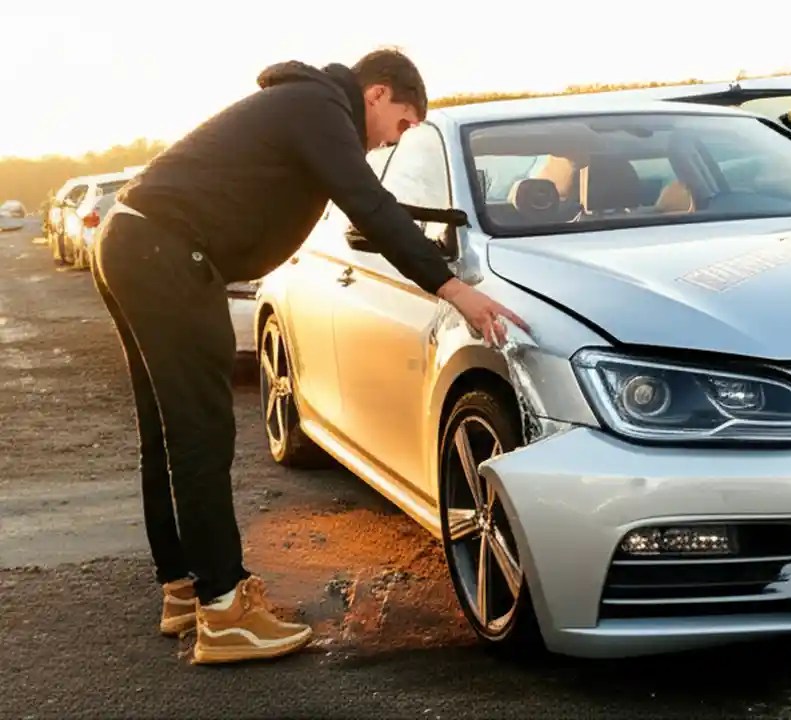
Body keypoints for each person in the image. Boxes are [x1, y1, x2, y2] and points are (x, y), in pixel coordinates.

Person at [90, 48, 527, 665]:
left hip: (134, 241)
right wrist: (452, 287)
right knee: (200, 434)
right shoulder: (320, 107)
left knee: (168, 433)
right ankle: (224, 614)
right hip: (163, 253)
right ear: (376, 94)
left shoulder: (300, 104)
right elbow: (370, 206)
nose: (387, 143)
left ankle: (187, 591)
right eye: (400, 124)